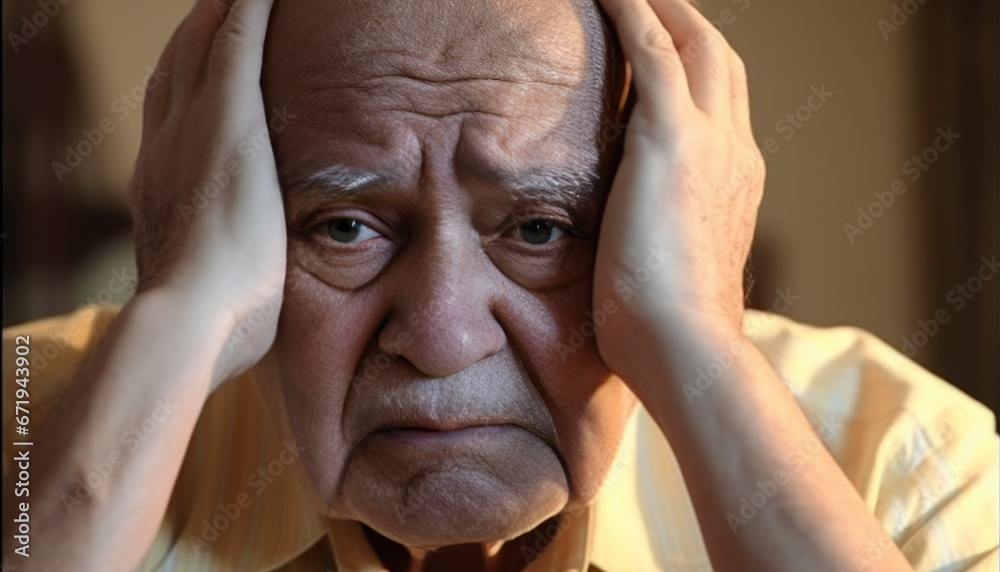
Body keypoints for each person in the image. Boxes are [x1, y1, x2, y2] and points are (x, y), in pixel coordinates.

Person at [2, 0, 997, 570]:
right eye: (344, 226)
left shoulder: (903, 463)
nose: (438, 336)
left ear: (674, 223)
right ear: (222, 213)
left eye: (541, 229)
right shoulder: (26, 413)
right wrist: (180, 307)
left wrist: (695, 333)